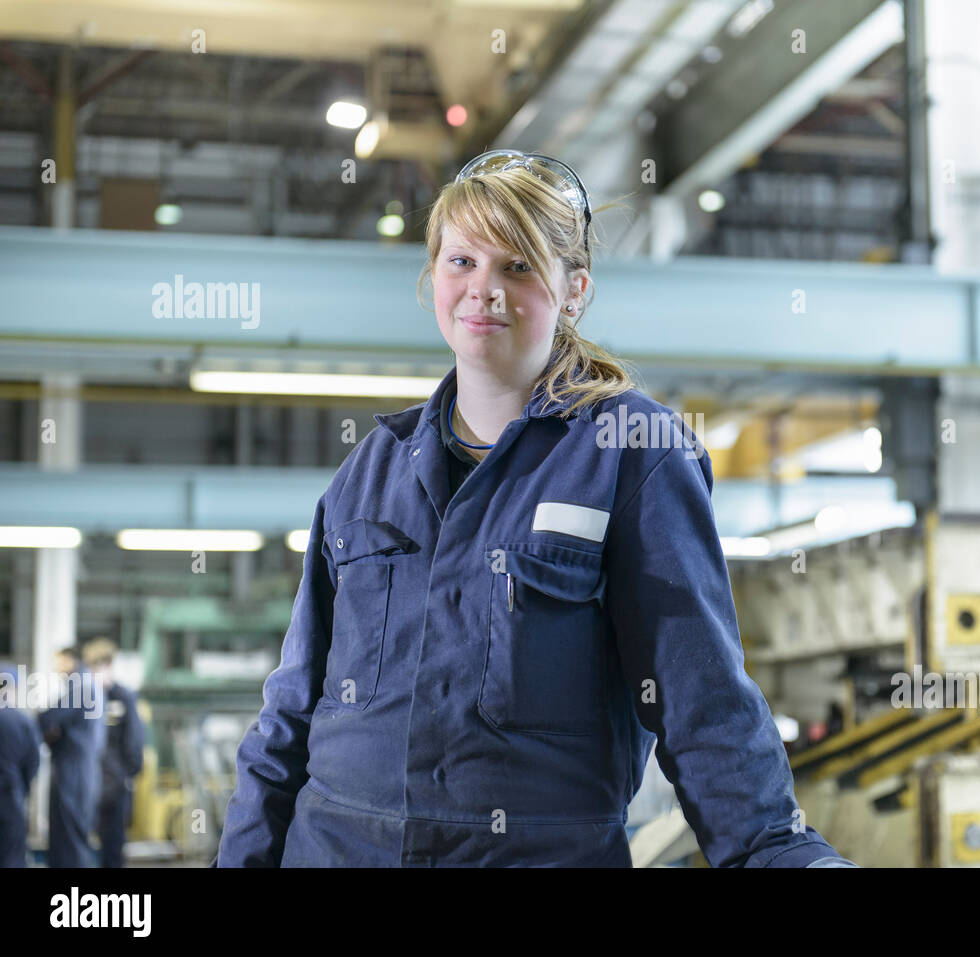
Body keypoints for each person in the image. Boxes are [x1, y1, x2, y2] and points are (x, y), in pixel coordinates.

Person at [219, 150, 856, 867]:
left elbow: (700, 700)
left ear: (573, 289)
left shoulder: (632, 455)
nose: (482, 288)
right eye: (461, 261)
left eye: (517, 265)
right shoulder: (369, 472)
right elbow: (292, 712)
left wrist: (778, 850)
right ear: (434, 277)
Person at [39, 647, 105, 868]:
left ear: (71, 661)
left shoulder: (81, 688)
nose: (56, 669)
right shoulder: (83, 686)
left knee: (70, 834)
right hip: (76, 766)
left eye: (59, 663)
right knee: (65, 832)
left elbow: (48, 717)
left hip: (74, 769)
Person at [82, 637, 144, 868]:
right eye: (95, 667)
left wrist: (128, 775)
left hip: (116, 784)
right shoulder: (83, 699)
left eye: (104, 665)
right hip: (89, 783)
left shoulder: (123, 697)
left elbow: (134, 739)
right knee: (83, 846)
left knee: (113, 847)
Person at [0, 661, 41, 867]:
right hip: (10, 793)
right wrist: (20, 787)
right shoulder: (22, 721)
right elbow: (33, 762)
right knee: (12, 854)